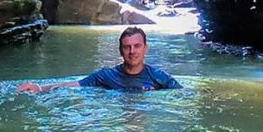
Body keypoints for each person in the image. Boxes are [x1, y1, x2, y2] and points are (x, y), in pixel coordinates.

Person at [16, 27, 182, 92]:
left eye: (137, 46)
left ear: (146, 49)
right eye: (127, 47)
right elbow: (74, 84)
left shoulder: (159, 77)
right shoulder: (106, 76)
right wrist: (39, 88)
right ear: (120, 51)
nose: (132, 52)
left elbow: (183, 94)